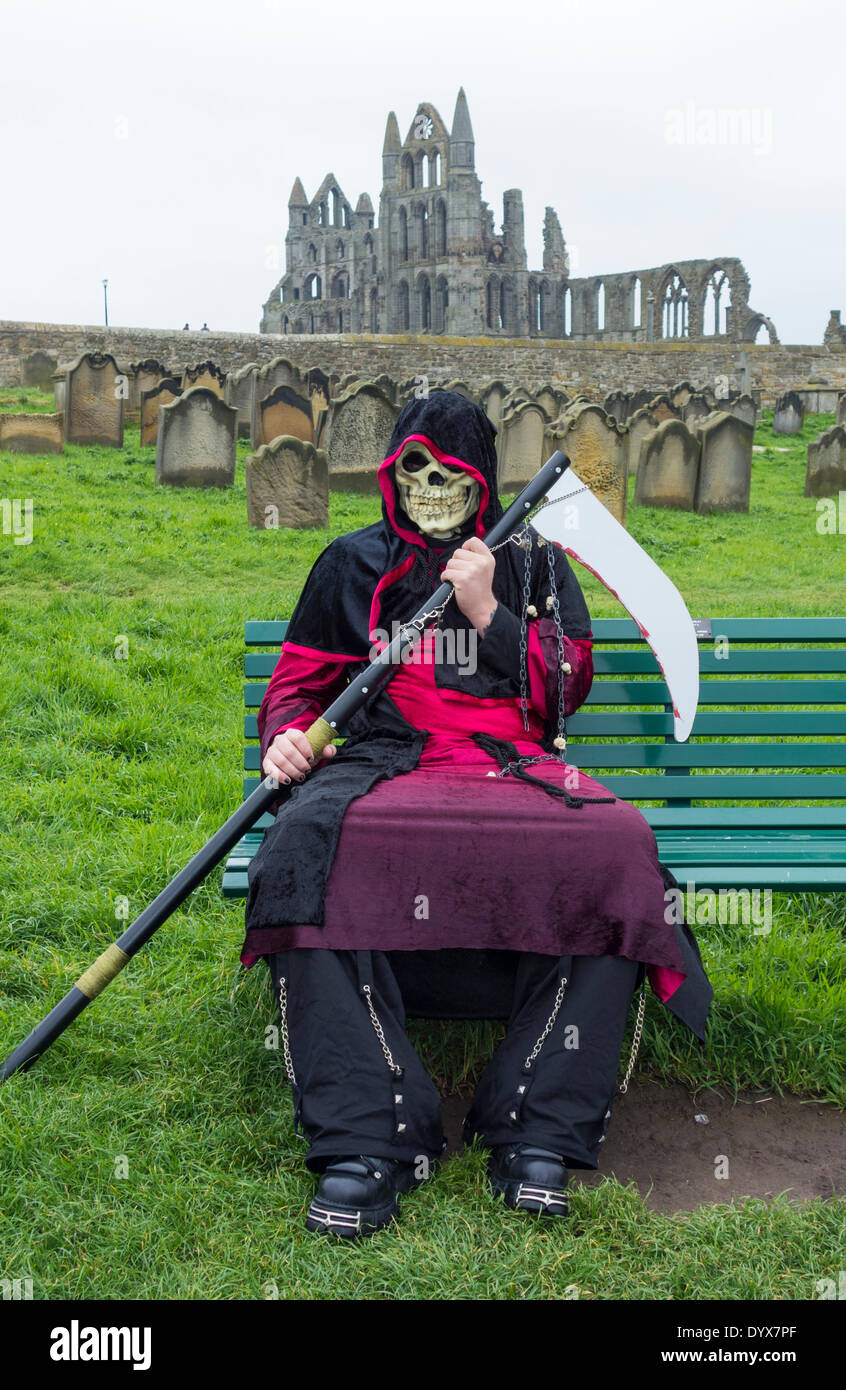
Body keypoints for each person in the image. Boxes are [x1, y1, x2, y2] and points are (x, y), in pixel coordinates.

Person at [239, 389, 712, 1238]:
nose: (429, 484)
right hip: (386, 764)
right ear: (389, 474)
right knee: (304, 843)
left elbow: (564, 692)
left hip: (511, 768)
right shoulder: (349, 564)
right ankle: (366, 1135)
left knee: (619, 846)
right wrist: (284, 740)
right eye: (412, 467)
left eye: (450, 470)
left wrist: (489, 610)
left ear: (482, 482)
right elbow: (301, 688)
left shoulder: (530, 563)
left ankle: (536, 1123)